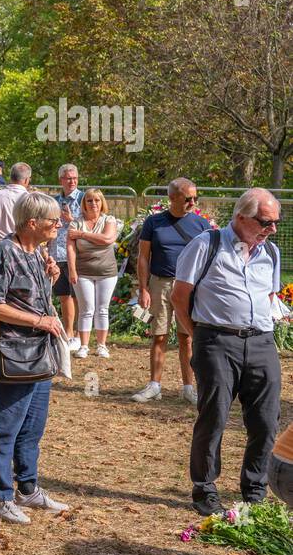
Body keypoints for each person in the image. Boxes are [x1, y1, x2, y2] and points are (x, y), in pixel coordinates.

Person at [171, 188, 282, 516]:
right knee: (214, 417)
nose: (271, 229)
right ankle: (205, 489)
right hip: (217, 342)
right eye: (265, 222)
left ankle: (254, 491)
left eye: (276, 222)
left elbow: (270, 296)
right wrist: (199, 335)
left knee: (265, 421)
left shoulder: (270, 253)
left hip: (262, 343)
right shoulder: (206, 245)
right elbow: (180, 296)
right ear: (241, 217)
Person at [0, 191, 70, 525]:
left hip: (40, 354)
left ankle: (28, 489)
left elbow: (28, 297)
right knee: (5, 428)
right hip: (14, 353)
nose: (58, 226)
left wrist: (49, 278)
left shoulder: (35, 252)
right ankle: (0, 497)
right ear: (32, 223)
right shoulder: (4, 252)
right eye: (53, 221)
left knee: (32, 427)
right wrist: (38, 320)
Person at [132, 178, 210, 403]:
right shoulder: (153, 222)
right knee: (159, 335)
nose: (193, 202)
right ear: (172, 198)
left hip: (190, 287)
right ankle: (154, 385)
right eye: (188, 198)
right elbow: (144, 258)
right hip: (161, 284)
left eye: (195, 198)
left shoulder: (202, 224)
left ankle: (189, 388)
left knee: (187, 338)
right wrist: (143, 289)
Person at [66, 188, 120, 359]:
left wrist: (82, 234)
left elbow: (108, 239)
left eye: (97, 200)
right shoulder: (75, 222)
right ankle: (83, 346)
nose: (93, 203)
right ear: (84, 203)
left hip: (107, 272)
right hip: (83, 272)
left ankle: (102, 345)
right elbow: (70, 248)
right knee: (86, 309)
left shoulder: (108, 220)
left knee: (102, 309)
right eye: (89, 200)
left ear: (102, 202)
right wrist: (72, 270)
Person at [51, 164, 82, 351]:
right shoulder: (54, 201)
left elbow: (90, 224)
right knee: (64, 296)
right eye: (68, 178)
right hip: (57, 253)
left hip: (77, 255)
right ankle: (68, 334)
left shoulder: (84, 198)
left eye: (74, 178)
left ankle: (80, 334)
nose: (72, 181)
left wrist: (71, 220)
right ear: (60, 180)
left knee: (78, 296)